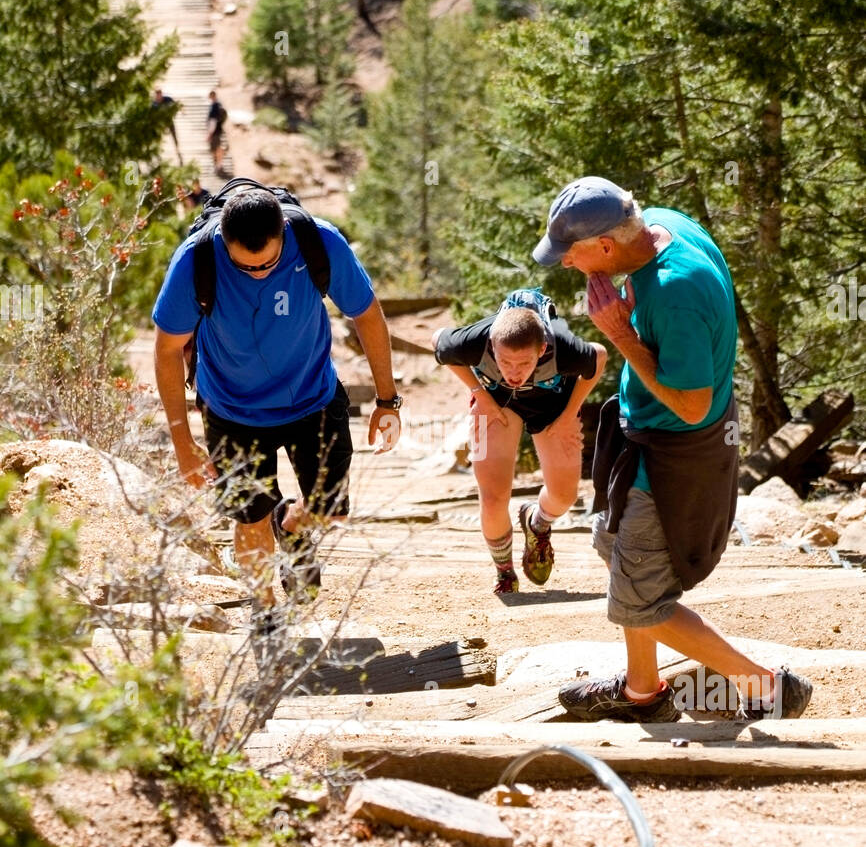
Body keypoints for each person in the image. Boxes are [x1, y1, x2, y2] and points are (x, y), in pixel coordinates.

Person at [532, 175, 813, 721]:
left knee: (641, 601)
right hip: (644, 433)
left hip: (676, 451)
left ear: (608, 246)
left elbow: (691, 405)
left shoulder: (677, 292)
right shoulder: (660, 224)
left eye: (572, 253)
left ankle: (767, 689)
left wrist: (619, 335)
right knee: (615, 552)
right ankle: (643, 692)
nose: (566, 264)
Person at [152, 186, 403, 617]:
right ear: (223, 242)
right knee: (248, 517)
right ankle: (264, 609)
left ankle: (290, 521)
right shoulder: (197, 260)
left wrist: (387, 399)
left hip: (313, 397)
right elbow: (166, 350)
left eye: (268, 263)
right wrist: (181, 441)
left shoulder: (318, 242)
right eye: (244, 266)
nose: (258, 274)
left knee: (330, 510)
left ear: (283, 231)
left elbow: (366, 314)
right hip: (231, 409)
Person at [433, 291, 606, 594]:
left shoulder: (563, 348)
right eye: (504, 360)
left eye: (523, 362)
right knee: (492, 495)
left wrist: (568, 415)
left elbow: (599, 356)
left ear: (541, 350)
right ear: (491, 347)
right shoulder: (476, 340)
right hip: (497, 404)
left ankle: (537, 523)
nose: (513, 372)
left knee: (564, 496)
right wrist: (482, 396)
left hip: (552, 405)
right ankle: (504, 573)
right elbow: (438, 341)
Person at [152, 87, 181, 160]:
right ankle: (158, 150)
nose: (159, 96)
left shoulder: (168, 99)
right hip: (160, 123)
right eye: (157, 95)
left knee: (174, 134)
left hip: (169, 120)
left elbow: (175, 106)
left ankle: (177, 148)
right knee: (158, 137)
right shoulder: (154, 104)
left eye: (160, 94)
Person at [206, 91, 228, 176]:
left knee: (216, 149)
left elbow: (213, 121)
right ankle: (218, 165)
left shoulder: (214, 107)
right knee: (217, 148)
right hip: (218, 131)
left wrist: (209, 134)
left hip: (215, 132)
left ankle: (218, 165)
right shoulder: (218, 105)